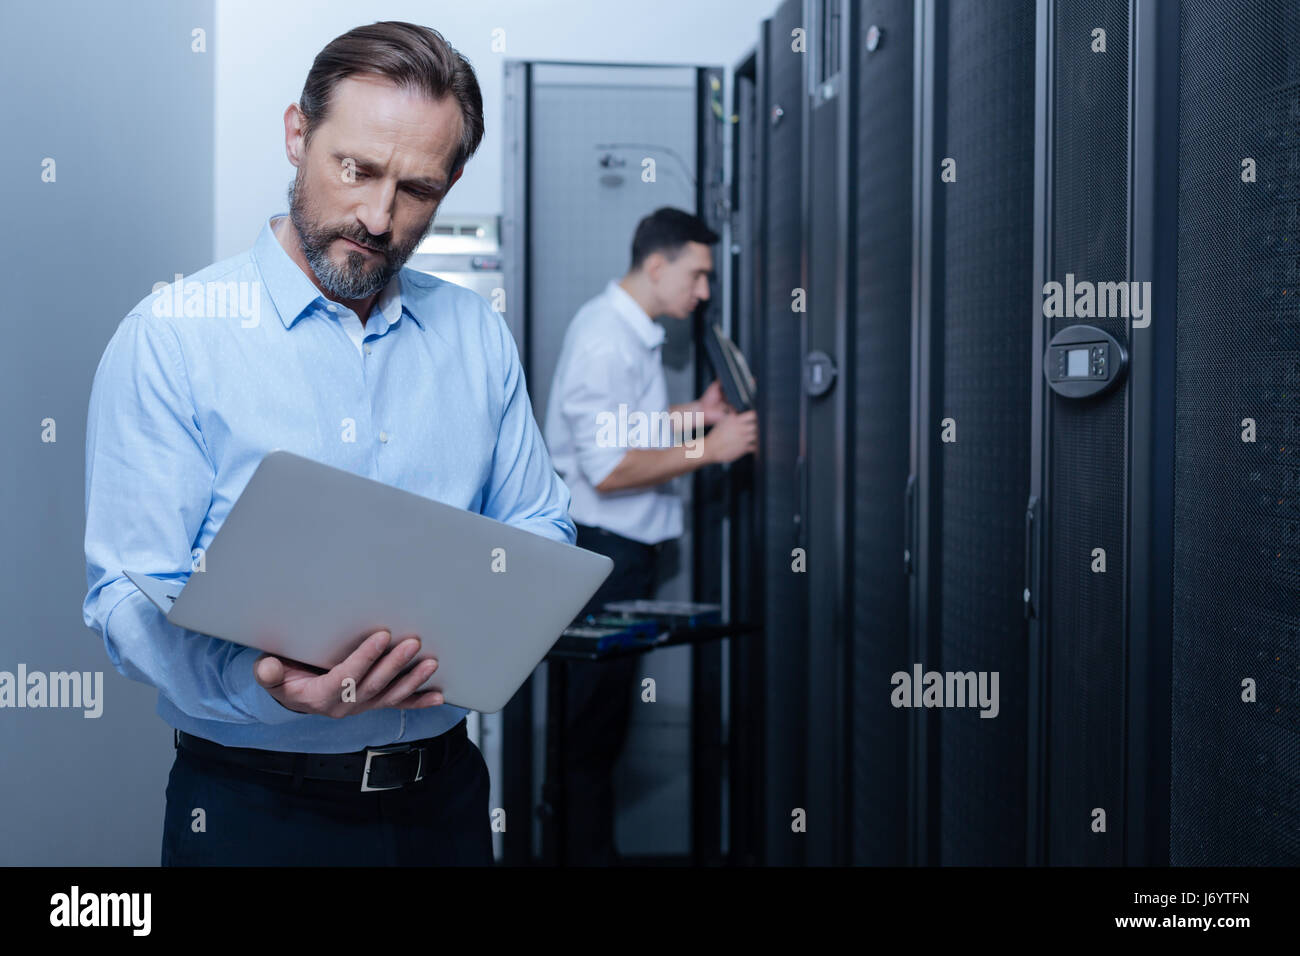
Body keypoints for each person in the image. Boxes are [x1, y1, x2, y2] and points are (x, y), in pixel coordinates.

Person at [81, 21, 572, 866]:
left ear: (450, 182)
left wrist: (485, 622)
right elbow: (125, 597)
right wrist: (270, 692)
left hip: (445, 802)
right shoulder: (172, 336)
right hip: (251, 812)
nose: (378, 218)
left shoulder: (475, 335)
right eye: (357, 170)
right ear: (296, 134)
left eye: (417, 189)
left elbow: (541, 527)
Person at [543, 206, 759, 865]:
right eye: (697, 276)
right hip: (599, 553)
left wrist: (696, 415)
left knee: (601, 731)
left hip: (614, 556)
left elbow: (623, 428)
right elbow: (607, 471)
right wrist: (713, 449)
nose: (703, 294)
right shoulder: (606, 339)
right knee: (589, 733)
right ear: (657, 265)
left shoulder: (624, 333)